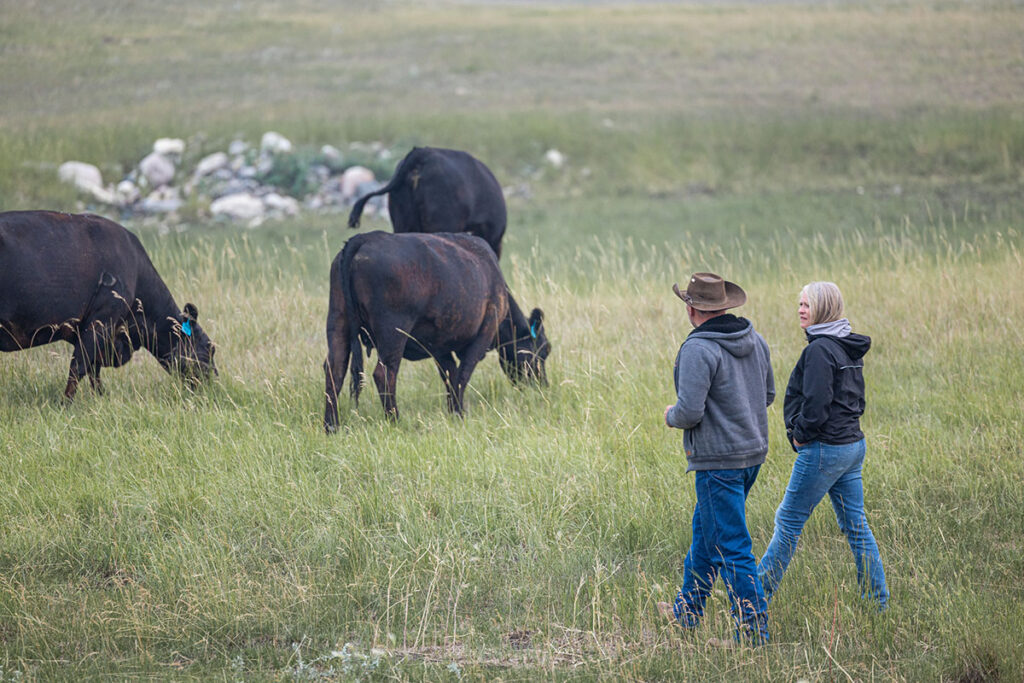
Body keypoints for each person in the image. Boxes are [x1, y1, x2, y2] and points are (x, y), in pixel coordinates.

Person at [657, 272, 774, 645]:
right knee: (707, 536)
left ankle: (754, 633)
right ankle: (686, 613)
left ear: (692, 309)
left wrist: (670, 415)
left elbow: (690, 412)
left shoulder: (697, 349)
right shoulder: (755, 340)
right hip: (752, 455)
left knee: (730, 545)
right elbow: (768, 394)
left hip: (716, 461)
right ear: (725, 305)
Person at [757, 281, 889, 610]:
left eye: (807, 304)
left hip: (824, 449)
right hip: (851, 447)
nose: (801, 310)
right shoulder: (845, 345)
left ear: (824, 308)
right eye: (799, 304)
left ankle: (753, 602)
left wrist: (799, 434)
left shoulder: (819, 349)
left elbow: (816, 404)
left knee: (787, 522)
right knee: (857, 527)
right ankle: (878, 604)